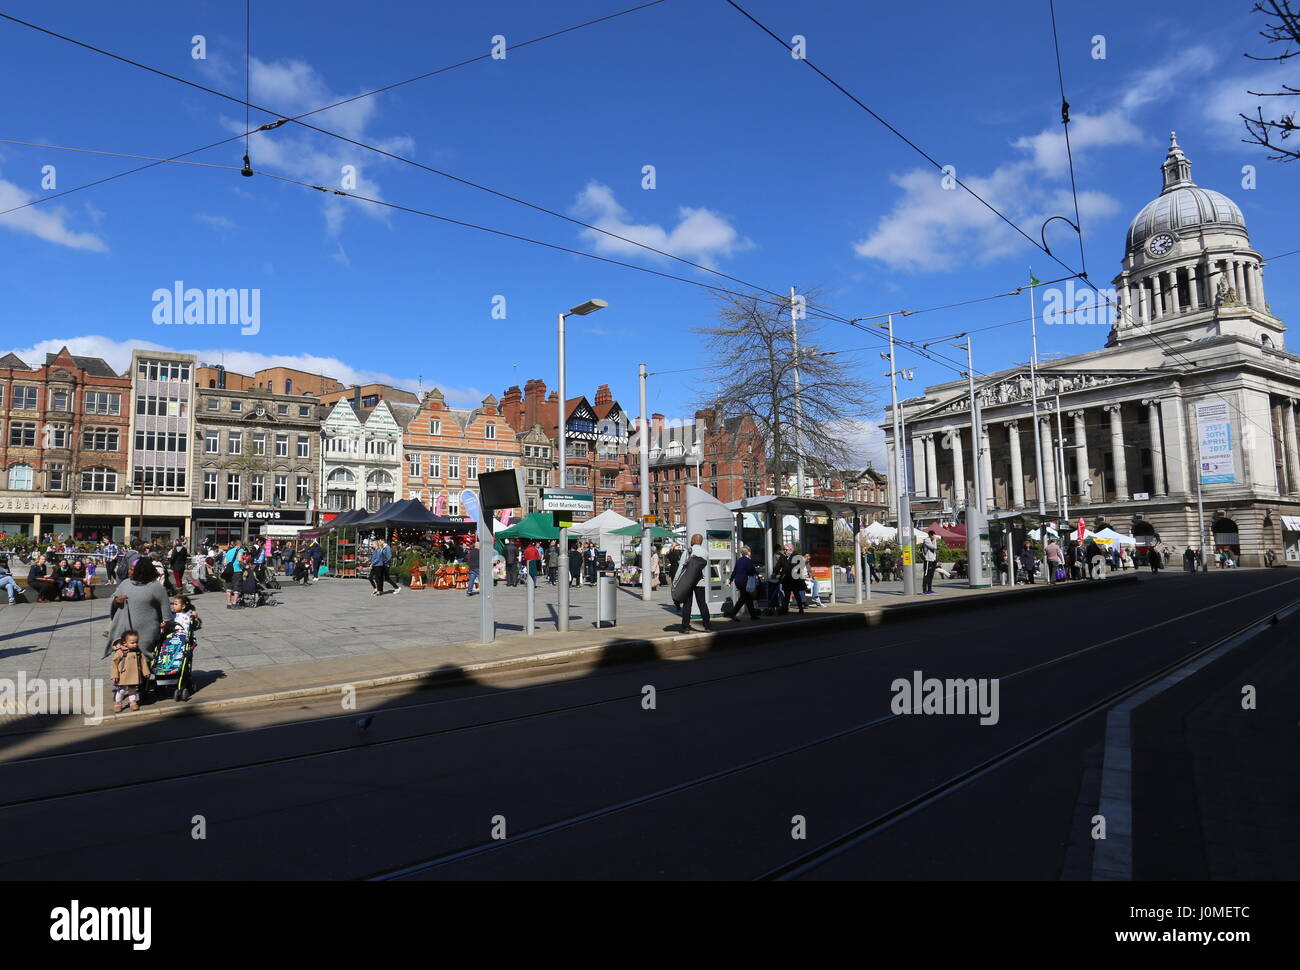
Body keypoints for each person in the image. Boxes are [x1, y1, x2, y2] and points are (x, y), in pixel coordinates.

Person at [107, 557, 174, 664]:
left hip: (147, 632)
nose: (129, 571)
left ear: (142, 570)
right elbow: (113, 598)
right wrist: (116, 601)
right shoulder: (125, 583)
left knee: (142, 660)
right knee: (123, 658)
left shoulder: (156, 587)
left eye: (132, 569)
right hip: (125, 631)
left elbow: (167, 615)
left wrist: (165, 625)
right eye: (130, 569)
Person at [672, 533, 713, 633]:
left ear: (694, 540)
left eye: (691, 539)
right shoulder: (706, 553)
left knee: (687, 604)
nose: (690, 540)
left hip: (688, 581)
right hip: (700, 581)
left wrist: (675, 581)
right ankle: (707, 626)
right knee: (702, 603)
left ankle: (685, 627)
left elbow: (681, 567)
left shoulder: (688, 551)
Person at [109, 630, 151, 713]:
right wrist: (115, 675)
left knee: (133, 690)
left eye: (137, 642)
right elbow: (114, 664)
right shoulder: (120, 652)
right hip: (123, 675)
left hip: (134, 675)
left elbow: (143, 662)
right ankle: (118, 703)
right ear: (125, 643)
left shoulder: (138, 652)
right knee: (121, 690)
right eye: (132, 642)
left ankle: (133, 702)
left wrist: (146, 672)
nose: (135, 644)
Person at [723, 545, 761, 621]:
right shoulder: (749, 561)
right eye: (750, 551)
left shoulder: (739, 560)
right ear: (748, 552)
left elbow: (735, 571)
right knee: (743, 599)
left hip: (738, 581)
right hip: (745, 582)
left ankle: (753, 615)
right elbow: (751, 571)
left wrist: (730, 581)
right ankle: (733, 613)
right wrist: (758, 576)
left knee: (748, 598)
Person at [767, 544, 792, 614]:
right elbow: (777, 566)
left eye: (785, 549)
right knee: (783, 592)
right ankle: (783, 607)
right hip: (780, 577)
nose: (783, 551)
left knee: (782, 592)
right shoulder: (779, 556)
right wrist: (775, 573)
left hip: (783, 577)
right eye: (782, 549)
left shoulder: (779, 556)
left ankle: (781, 607)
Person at [223, 539, 246, 609]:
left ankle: (229, 604)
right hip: (237, 571)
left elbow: (224, 562)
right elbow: (239, 559)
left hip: (229, 571)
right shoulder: (240, 550)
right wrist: (244, 565)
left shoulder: (229, 551)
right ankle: (234, 603)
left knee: (228, 588)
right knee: (237, 587)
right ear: (239, 545)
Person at [921, 530, 939, 594]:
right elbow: (934, 547)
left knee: (931, 575)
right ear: (931, 535)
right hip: (928, 560)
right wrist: (935, 540)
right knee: (926, 575)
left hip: (932, 560)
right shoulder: (927, 540)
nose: (935, 536)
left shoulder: (931, 541)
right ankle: (924, 590)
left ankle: (929, 589)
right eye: (934, 535)